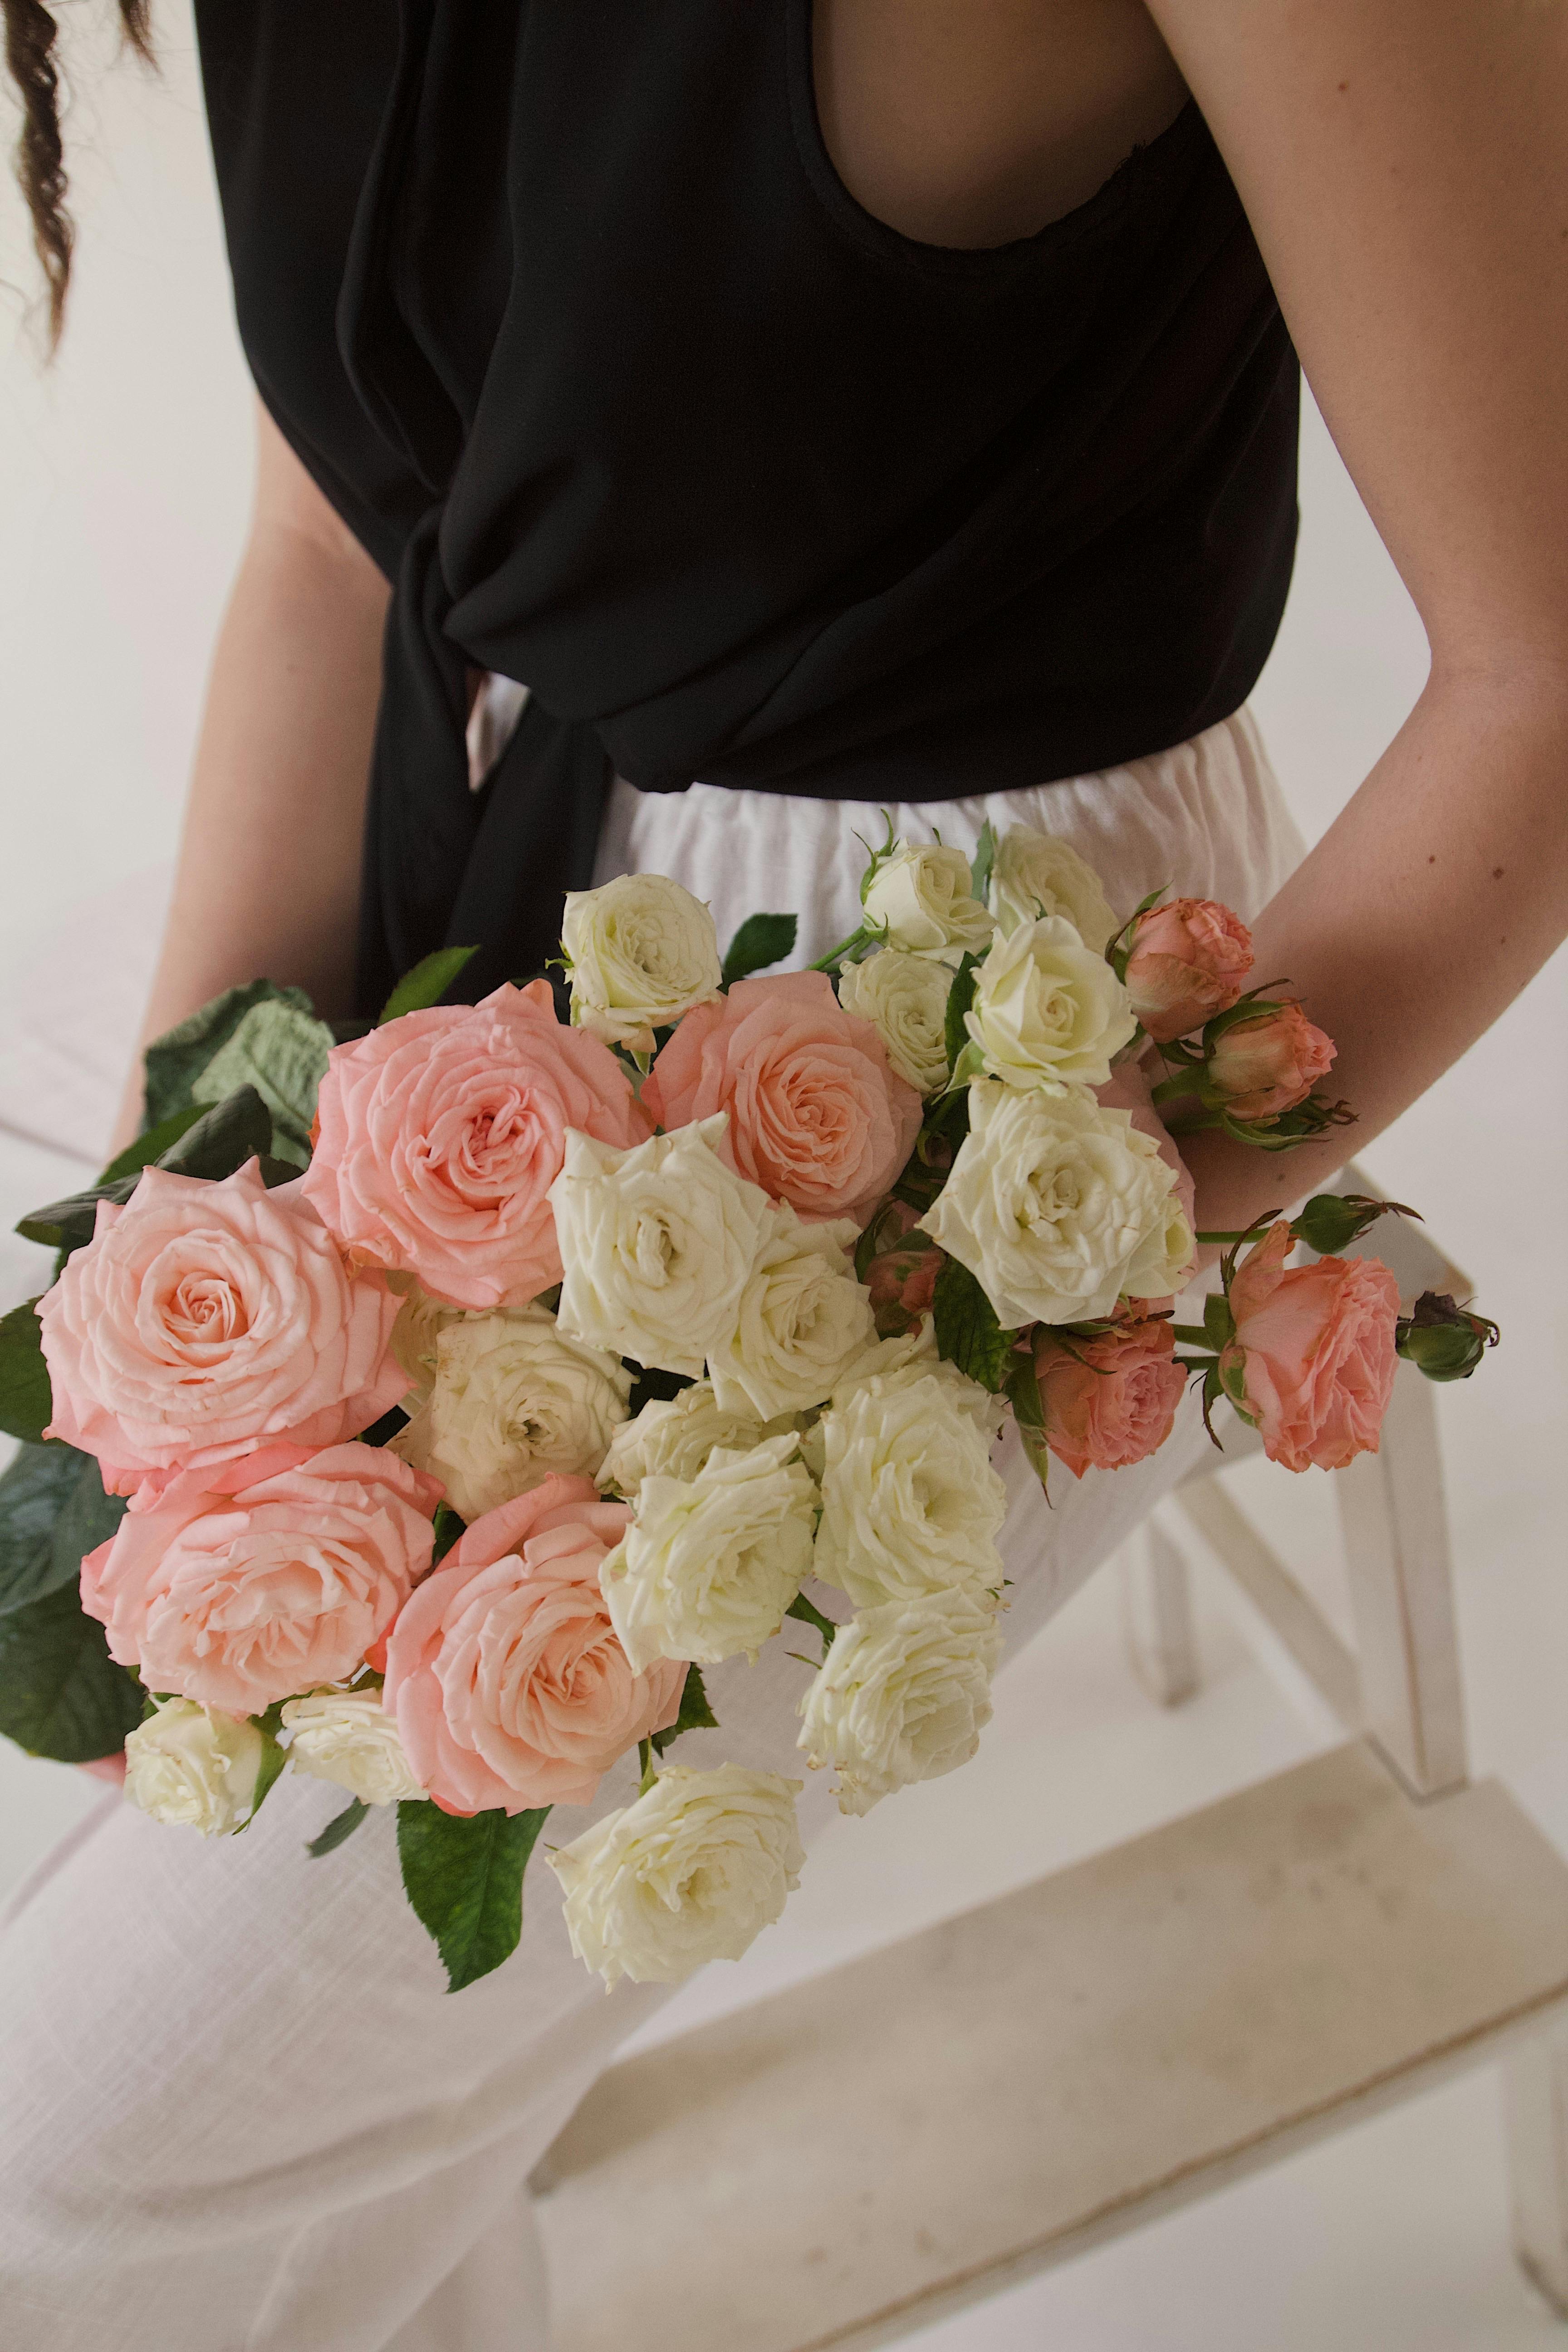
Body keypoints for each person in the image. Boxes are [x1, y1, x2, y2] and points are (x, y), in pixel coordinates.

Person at [1, 4, 1565, 2347]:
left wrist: (1068, 1271)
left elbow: (1548, 672)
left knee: (65, 2177)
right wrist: (178, 1256)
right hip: (458, 876)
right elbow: (334, 541)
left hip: (950, 1055)